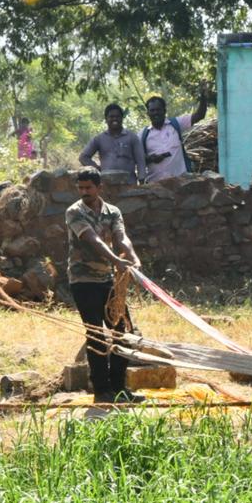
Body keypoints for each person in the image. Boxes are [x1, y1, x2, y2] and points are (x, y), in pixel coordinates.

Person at [66, 167, 143, 403]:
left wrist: (131, 256)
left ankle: (119, 388)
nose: (84, 192)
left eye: (88, 187)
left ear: (100, 188)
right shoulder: (74, 212)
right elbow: (92, 239)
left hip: (108, 280)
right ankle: (102, 391)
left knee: (123, 333)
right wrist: (116, 260)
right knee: (97, 335)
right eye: (80, 188)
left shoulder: (113, 211)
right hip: (83, 281)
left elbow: (121, 237)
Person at [141, 94, 207, 182]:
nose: (155, 113)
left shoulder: (176, 124)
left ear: (164, 111)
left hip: (181, 183)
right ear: (148, 113)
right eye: (152, 110)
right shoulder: (143, 134)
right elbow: (137, 159)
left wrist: (203, 97)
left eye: (158, 110)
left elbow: (199, 115)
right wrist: (151, 159)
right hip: (156, 185)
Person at [79, 103, 149, 184]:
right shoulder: (99, 139)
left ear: (122, 118)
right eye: (111, 117)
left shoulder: (132, 137)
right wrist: (97, 170)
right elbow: (83, 157)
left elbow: (141, 161)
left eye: (118, 116)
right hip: (106, 185)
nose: (115, 119)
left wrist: (141, 181)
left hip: (128, 184)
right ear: (106, 119)